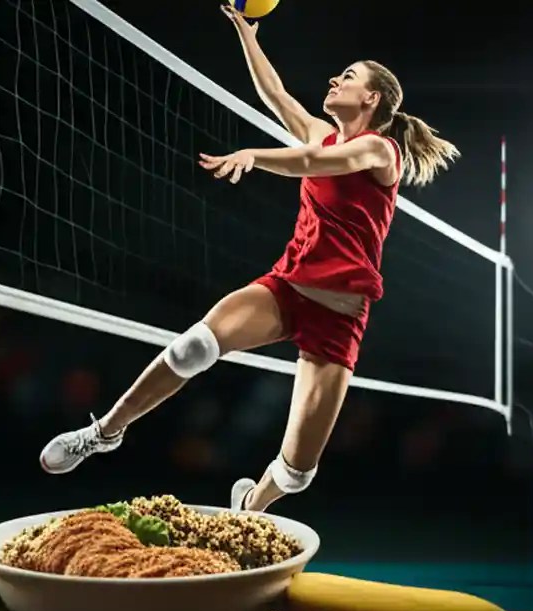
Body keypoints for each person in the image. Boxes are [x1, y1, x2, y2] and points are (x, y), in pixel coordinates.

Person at [38, 5, 460, 513]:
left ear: (371, 98)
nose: (334, 78)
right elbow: (275, 94)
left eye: (347, 77)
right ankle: (104, 431)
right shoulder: (318, 131)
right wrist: (247, 34)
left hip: (339, 318)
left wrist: (254, 155)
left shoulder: (380, 151)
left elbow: (314, 163)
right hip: (285, 290)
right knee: (194, 347)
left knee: (298, 473)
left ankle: (250, 507)